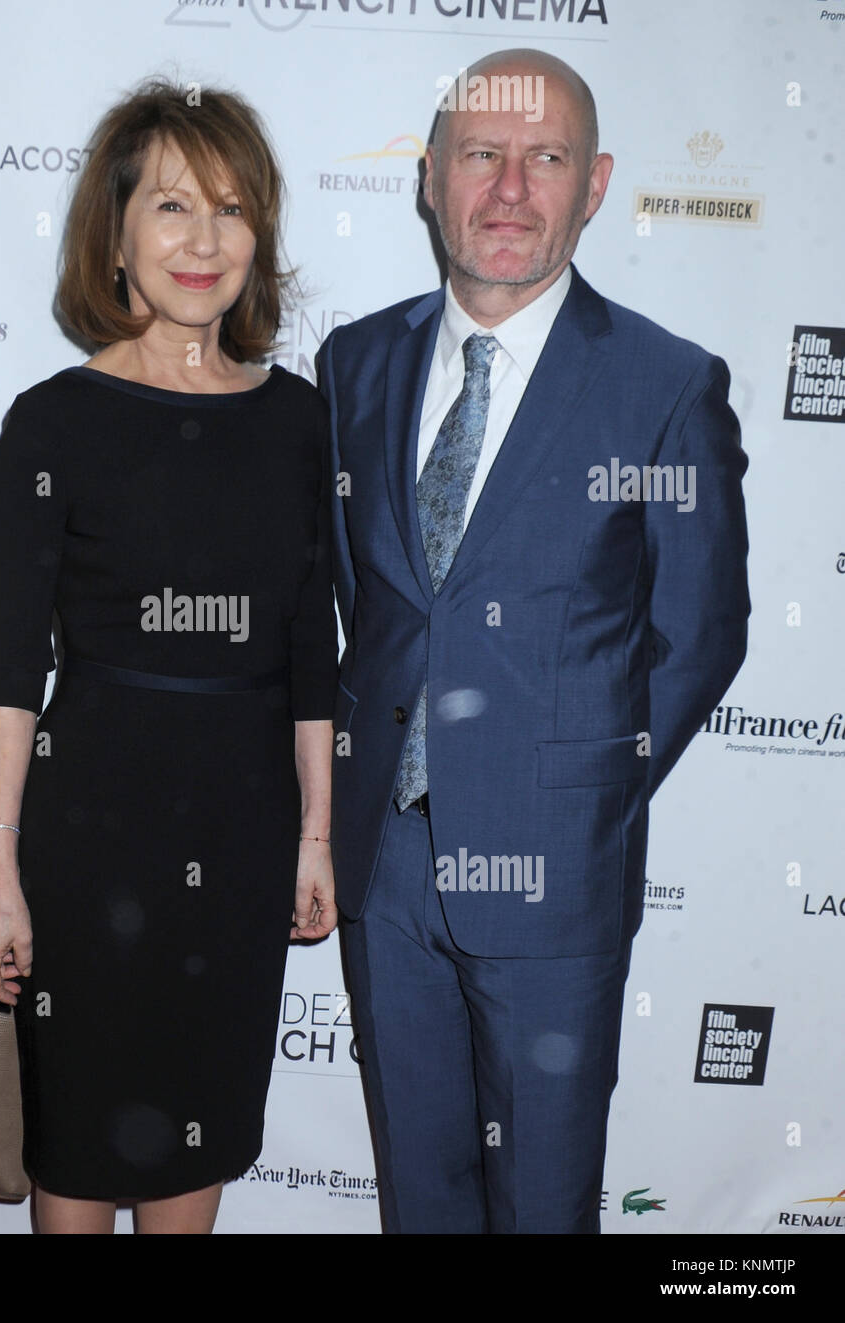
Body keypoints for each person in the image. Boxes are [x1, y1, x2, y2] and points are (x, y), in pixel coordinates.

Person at [317, 48, 749, 1233]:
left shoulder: (662, 386)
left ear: (595, 183)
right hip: (385, 870)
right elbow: (364, 600)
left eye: (545, 158)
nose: (510, 189)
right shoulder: (355, 363)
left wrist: (575, 792)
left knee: (544, 1206)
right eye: (481, 156)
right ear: (429, 177)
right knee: (421, 1198)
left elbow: (700, 635)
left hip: (555, 879)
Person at [0, 79, 338, 1234]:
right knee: (74, 1158)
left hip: (240, 838)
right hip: (90, 834)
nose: (204, 239)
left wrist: (314, 839)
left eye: (231, 210)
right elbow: (8, 671)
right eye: (173, 206)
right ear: (115, 231)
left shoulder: (299, 421)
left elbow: (311, 654)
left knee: (200, 1134)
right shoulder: (52, 420)